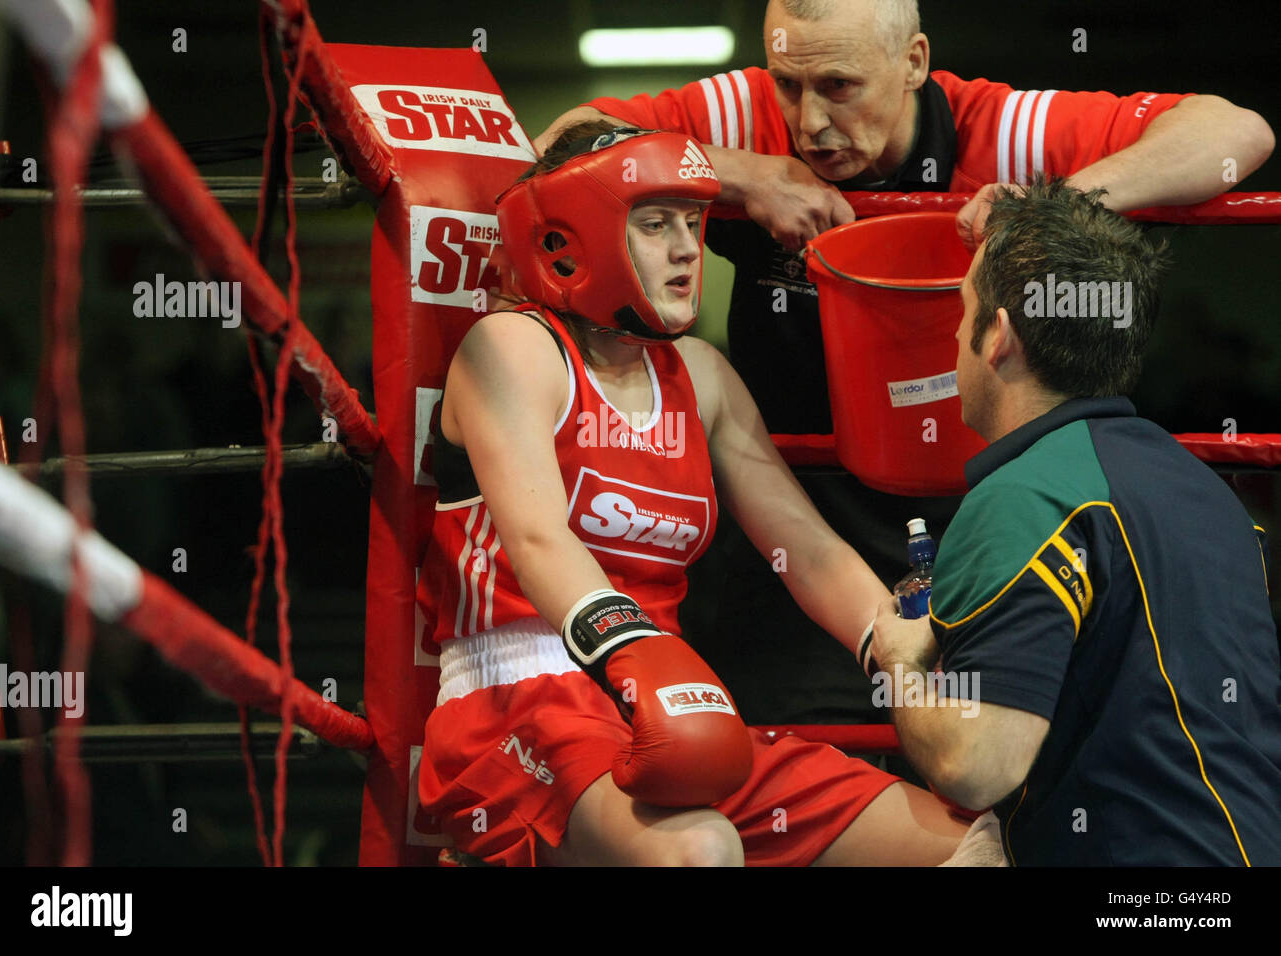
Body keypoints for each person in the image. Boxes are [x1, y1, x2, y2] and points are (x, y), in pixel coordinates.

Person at [535, 0, 1276, 728]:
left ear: (913, 62)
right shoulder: (744, 112)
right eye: (789, 84)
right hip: (793, 524)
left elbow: (1235, 130)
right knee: (794, 758)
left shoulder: (998, 129)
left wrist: (1059, 204)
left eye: (839, 87)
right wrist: (737, 174)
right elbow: (563, 141)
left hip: (982, 517)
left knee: (996, 770)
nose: (808, 121)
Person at [414, 123, 971, 866]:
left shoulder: (700, 376)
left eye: (691, 221)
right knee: (699, 852)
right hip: (518, 701)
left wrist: (895, 648)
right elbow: (539, 536)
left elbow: (802, 548)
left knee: (968, 845)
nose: (686, 249)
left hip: (673, 697)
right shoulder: (513, 348)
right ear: (568, 239)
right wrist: (628, 647)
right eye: (654, 223)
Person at [866, 176, 1281, 866]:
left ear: (997, 336)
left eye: (962, 311)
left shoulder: (1025, 494)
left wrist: (902, 663)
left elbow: (978, 765)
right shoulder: (1214, 497)